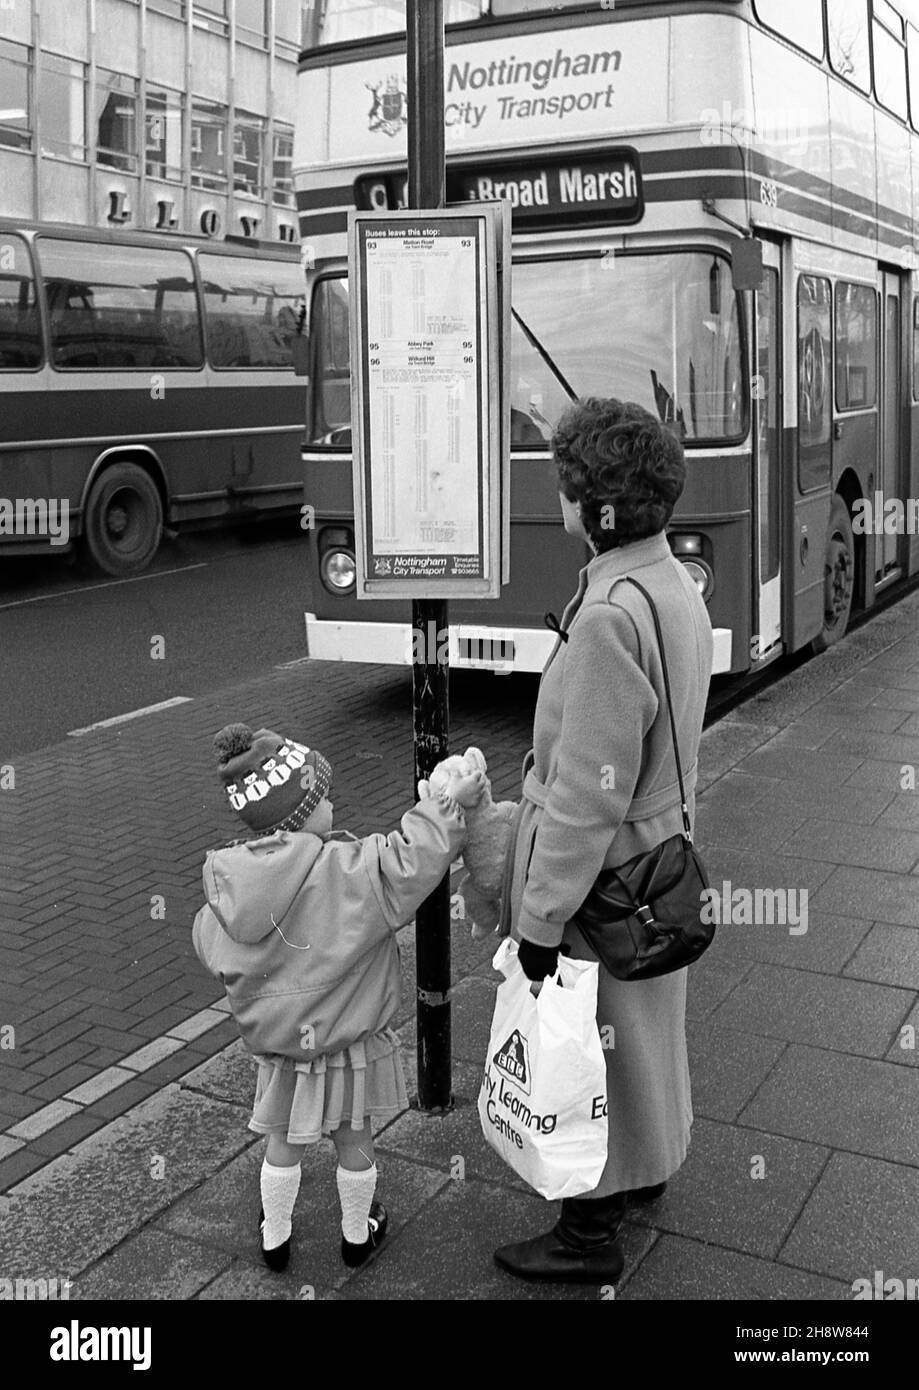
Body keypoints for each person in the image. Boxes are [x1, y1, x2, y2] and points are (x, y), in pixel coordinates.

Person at [493, 397, 714, 1284]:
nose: (557, 498)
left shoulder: (605, 619)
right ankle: (647, 1169)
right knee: (645, 1033)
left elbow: (587, 798)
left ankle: (588, 1234)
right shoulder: (668, 582)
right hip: (663, 856)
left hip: (605, 878)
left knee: (587, 1043)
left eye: (564, 486)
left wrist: (540, 922)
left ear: (596, 508)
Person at [192, 723, 483, 1272]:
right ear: (299, 816)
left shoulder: (237, 886)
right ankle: (356, 1235)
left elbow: (209, 942)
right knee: (355, 1139)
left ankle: (275, 1236)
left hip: (284, 1051)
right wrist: (447, 807)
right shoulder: (348, 871)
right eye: (321, 797)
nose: (332, 803)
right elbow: (411, 858)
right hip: (349, 1043)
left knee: (282, 1142)